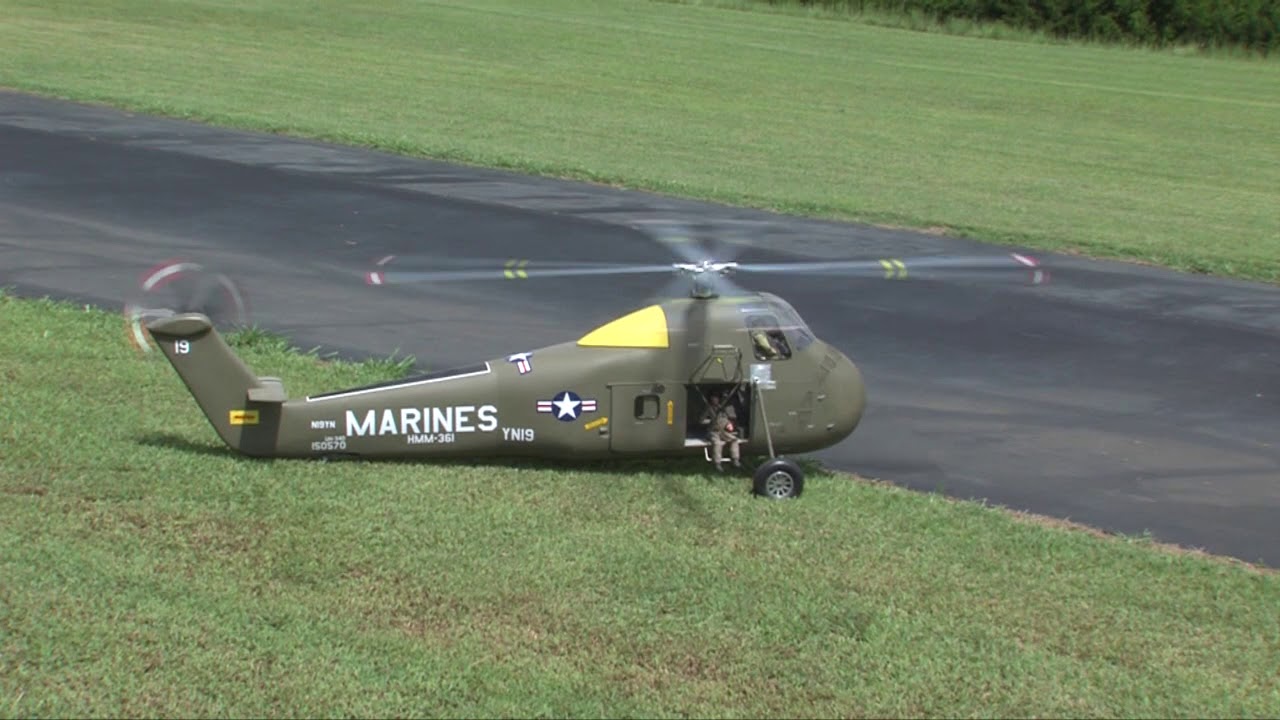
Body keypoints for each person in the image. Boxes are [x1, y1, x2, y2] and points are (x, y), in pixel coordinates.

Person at [700, 391, 741, 471]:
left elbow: (726, 418)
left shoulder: (722, 409)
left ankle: (735, 459)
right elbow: (701, 420)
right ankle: (717, 463)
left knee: (734, 440)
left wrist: (729, 424)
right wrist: (710, 421)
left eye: (716, 398)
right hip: (713, 431)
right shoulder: (709, 409)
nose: (715, 400)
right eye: (713, 398)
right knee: (717, 443)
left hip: (723, 431)